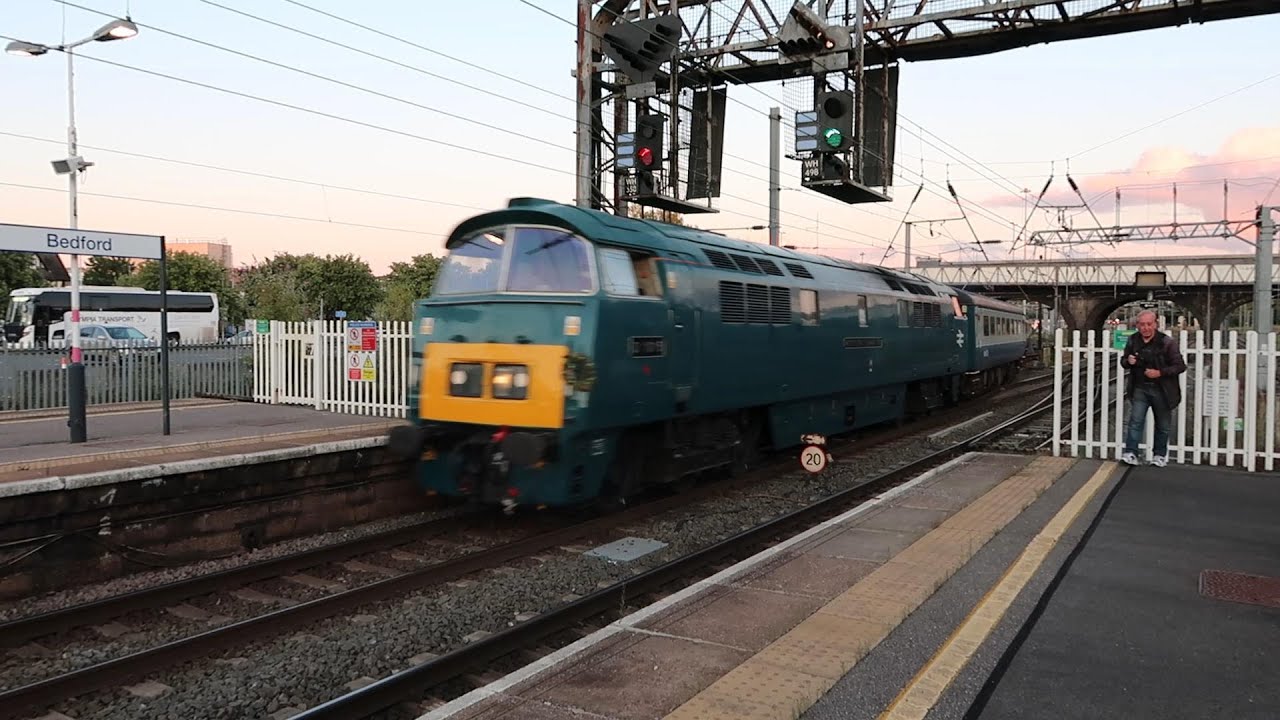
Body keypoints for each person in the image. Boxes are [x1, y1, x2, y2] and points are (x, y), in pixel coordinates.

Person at [1121, 310, 1187, 466]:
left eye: (1149, 324)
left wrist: (1160, 373)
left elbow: (1180, 366)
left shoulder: (1167, 342)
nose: (1145, 328)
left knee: (1163, 425)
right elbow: (1124, 361)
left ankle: (1159, 455)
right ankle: (1131, 453)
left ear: (1155, 324)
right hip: (1140, 387)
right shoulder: (1132, 340)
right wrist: (1127, 361)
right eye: (1142, 324)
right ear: (1137, 325)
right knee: (1135, 421)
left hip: (1162, 389)